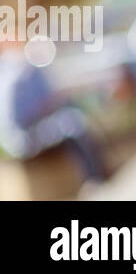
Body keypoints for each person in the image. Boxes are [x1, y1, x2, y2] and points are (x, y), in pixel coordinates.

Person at [0, 40, 108, 184]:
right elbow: (22, 117)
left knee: (70, 116)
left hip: (22, 134)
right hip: (24, 137)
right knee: (71, 123)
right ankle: (93, 178)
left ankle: (97, 174)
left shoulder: (14, 70)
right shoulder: (18, 72)